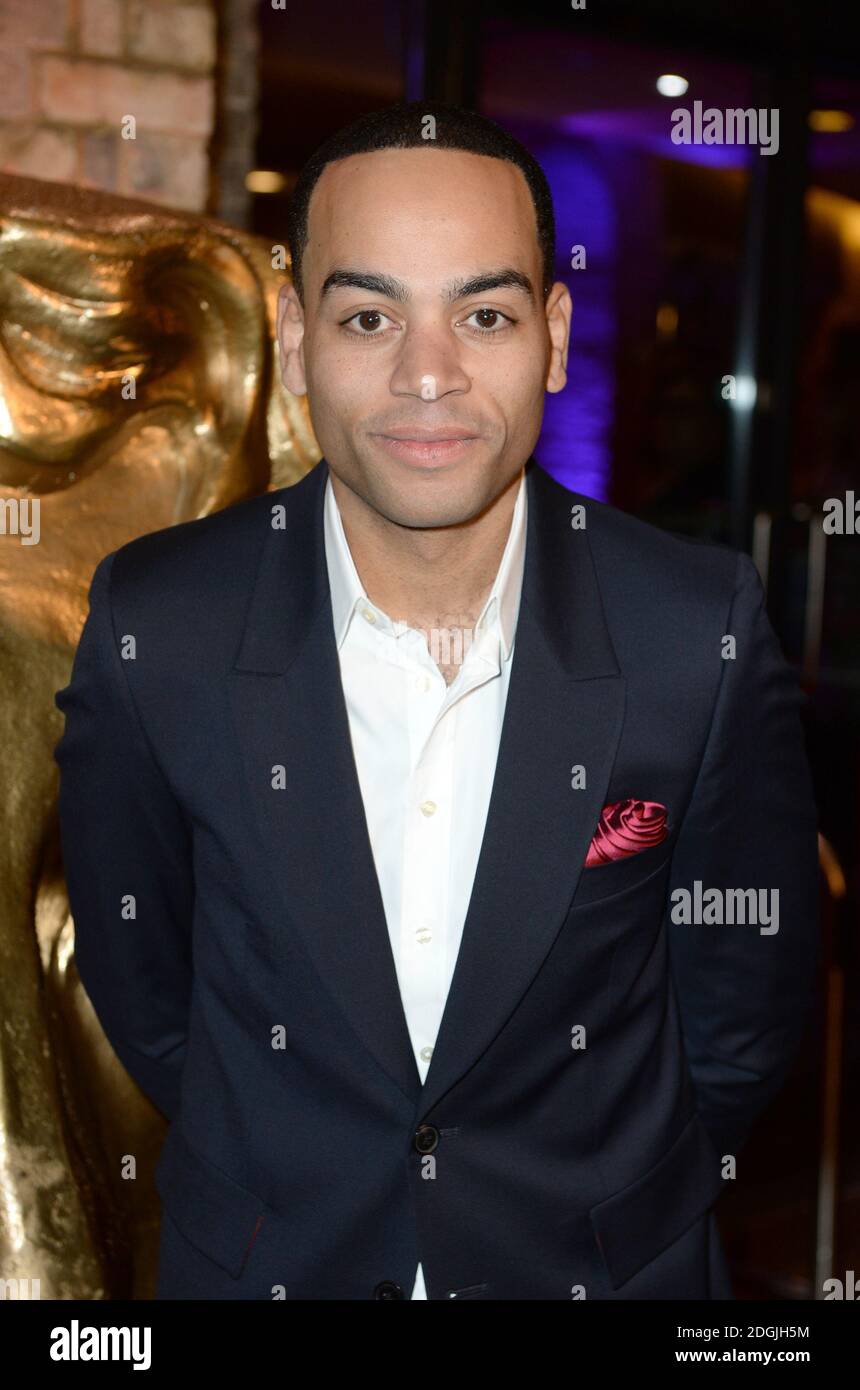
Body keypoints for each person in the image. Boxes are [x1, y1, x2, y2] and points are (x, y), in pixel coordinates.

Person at [54, 101, 820, 1300]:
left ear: (553, 337)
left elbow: (740, 1007)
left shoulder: (692, 628)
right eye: (368, 316)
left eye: (484, 313)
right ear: (296, 342)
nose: (428, 373)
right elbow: (142, 975)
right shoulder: (163, 623)